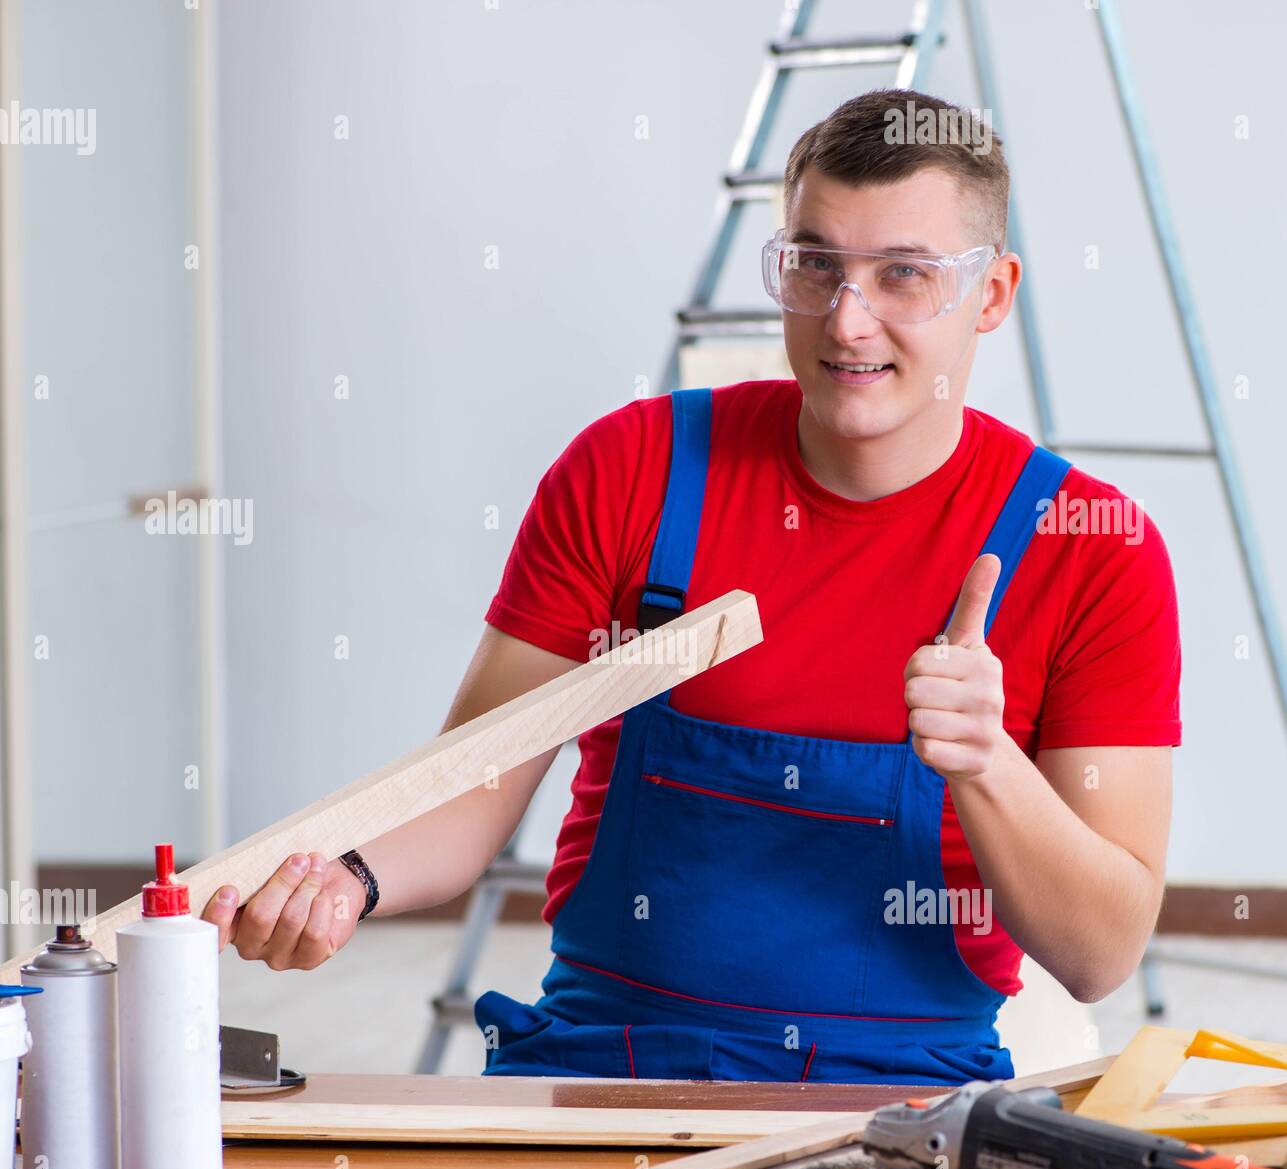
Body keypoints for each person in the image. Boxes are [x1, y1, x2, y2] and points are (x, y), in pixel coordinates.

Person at [201, 89, 1180, 1085]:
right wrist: (347, 879)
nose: (848, 321)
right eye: (816, 265)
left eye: (904, 277)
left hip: (902, 1106)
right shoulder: (636, 470)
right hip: (600, 1072)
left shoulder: (1092, 548)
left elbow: (1100, 954)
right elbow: (471, 791)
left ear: (994, 293)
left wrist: (987, 765)